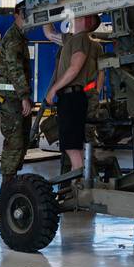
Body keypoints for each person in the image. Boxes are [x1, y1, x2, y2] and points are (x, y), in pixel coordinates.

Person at [43, 15, 101, 176]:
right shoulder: (71, 39)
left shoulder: (80, 39)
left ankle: (80, 189)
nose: (74, 17)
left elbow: (75, 67)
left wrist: (53, 89)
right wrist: (45, 13)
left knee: (72, 148)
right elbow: (49, 33)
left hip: (72, 98)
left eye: (80, 16)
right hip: (71, 98)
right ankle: (81, 185)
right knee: (73, 147)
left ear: (87, 22)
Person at [0, 3, 33, 181]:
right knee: (14, 141)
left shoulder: (20, 37)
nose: (28, 16)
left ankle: (11, 181)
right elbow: (14, 70)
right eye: (25, 13)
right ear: (16, 14)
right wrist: (24, 96)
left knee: (22, 140)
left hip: (15, 98)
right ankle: (8, 184)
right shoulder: (13, 39)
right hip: (12, 100)